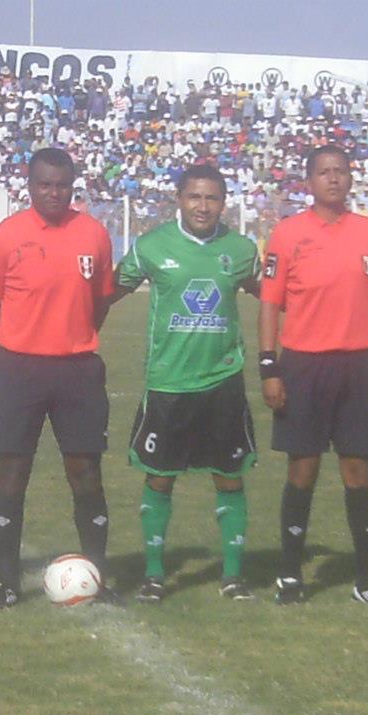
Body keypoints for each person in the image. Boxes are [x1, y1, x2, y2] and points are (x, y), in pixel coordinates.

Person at [259, 145, 368, 607]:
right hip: (304, 366)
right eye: (324, 172)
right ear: (309, 181)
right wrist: (268, 365)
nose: (333, 178)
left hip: (359, 367)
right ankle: (290, 575)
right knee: (303, 468)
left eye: (340, 171)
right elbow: (269, 303)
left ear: (351, 178)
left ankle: (367, 577)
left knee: (358, 469)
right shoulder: (288, 233)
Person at [110, 164, 260, 603]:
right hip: (168, 383)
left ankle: (233, 575)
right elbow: (108, 291)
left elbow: (271, 296)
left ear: (224, 203)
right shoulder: (151, 247)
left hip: (223, 382)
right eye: (195, 196)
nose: (203, 206)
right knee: (160, 479)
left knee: (229, 477)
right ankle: (154, 575)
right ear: (179, 199)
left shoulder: (241, 250)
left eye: (212, 198)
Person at [0, 148, 116, 608]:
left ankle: (97, 579)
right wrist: (14, 344)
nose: (54, 192)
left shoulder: (94, 234)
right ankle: (7, 582)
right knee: (12, 474)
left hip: (78, 369)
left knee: (86, 473)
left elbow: (100, 300)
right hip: (20, 369)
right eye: (45, 184)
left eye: (62, 185)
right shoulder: (6, 235)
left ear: (72, 186)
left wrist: (71, 337)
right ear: (30, 186)